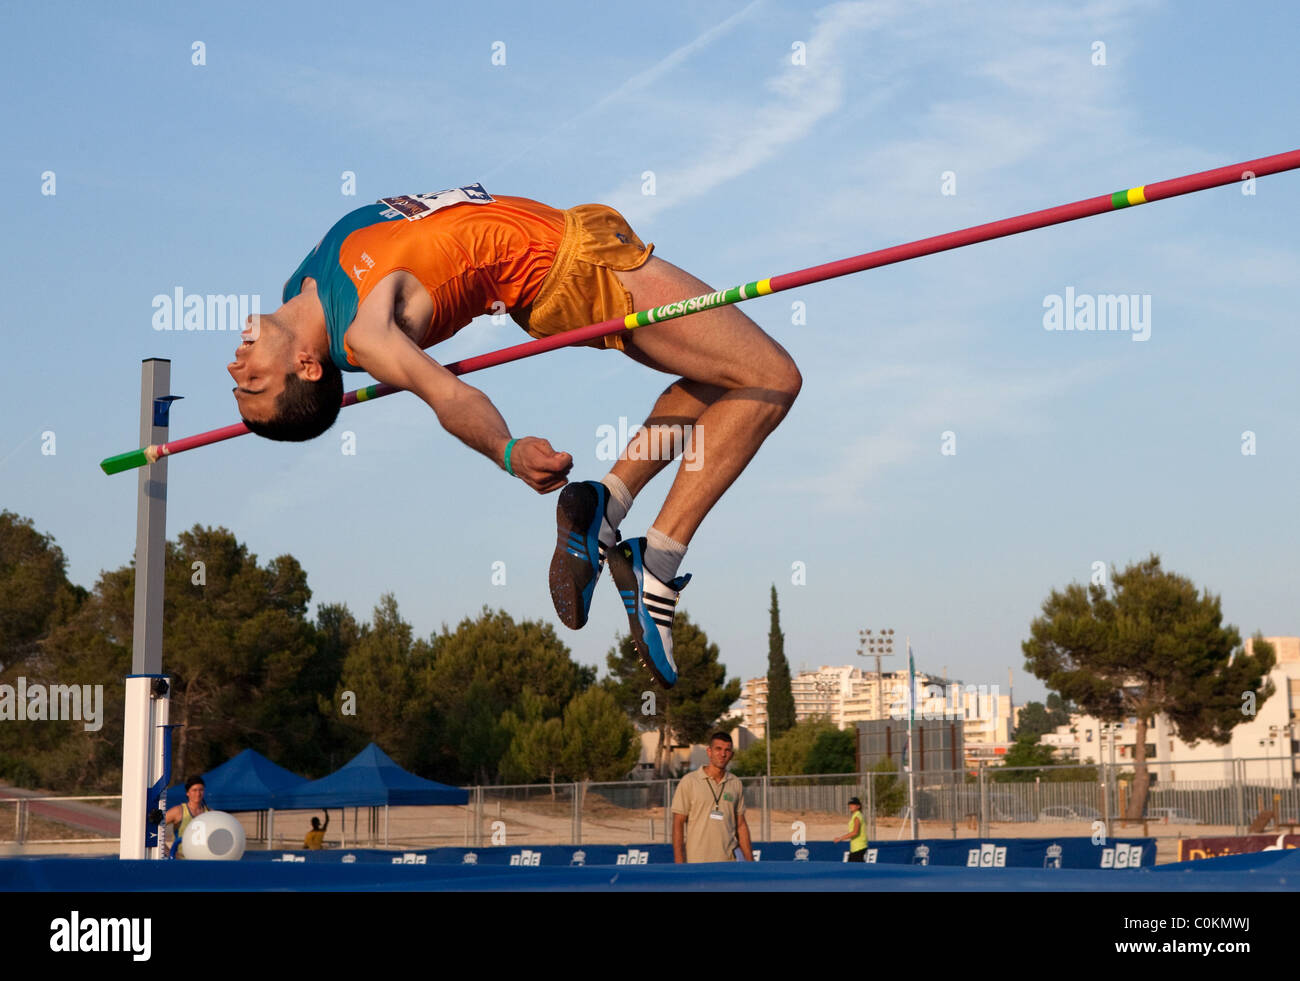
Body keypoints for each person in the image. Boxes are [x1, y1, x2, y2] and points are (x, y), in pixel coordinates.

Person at [228, 185, 800, 688]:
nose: (235, 370)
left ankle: (606, 503)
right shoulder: (367, 337)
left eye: (241, 382)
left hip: (568, 244)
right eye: (252, 384)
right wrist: (506, 449)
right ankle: (658, 565)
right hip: (570, 266)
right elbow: (448, 396)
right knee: (773, 377)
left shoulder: (300, 285)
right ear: (306, 366)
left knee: (718, 374)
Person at [671, 732, 753, 863]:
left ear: (731, 754)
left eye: (727, 750)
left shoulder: (735, 783)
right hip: (697, 862)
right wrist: (679, 862)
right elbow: (678, 823)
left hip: (728, 862)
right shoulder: (689, 781)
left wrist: (750, 862)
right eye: (718, 749)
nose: (723, 754)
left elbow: (741, 825)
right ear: (709, 752)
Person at [164, 775, 208, 860]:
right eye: (194, 790)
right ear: (187, 793)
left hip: (204, 861)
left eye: (201, 790)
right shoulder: (178, 811)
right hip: (182, 862)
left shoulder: (210, 813)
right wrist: (169, 852)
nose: (198, 794)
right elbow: (155, 828)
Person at [833, 796, 868, 862]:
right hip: (856, 847)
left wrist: (840, 838)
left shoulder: (857, 817)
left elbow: (855, 832)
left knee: (854, 868)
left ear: (858, 806)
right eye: (850, 804)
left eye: (853, 804)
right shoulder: (856, 815)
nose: (851, 806)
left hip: (859, 847)